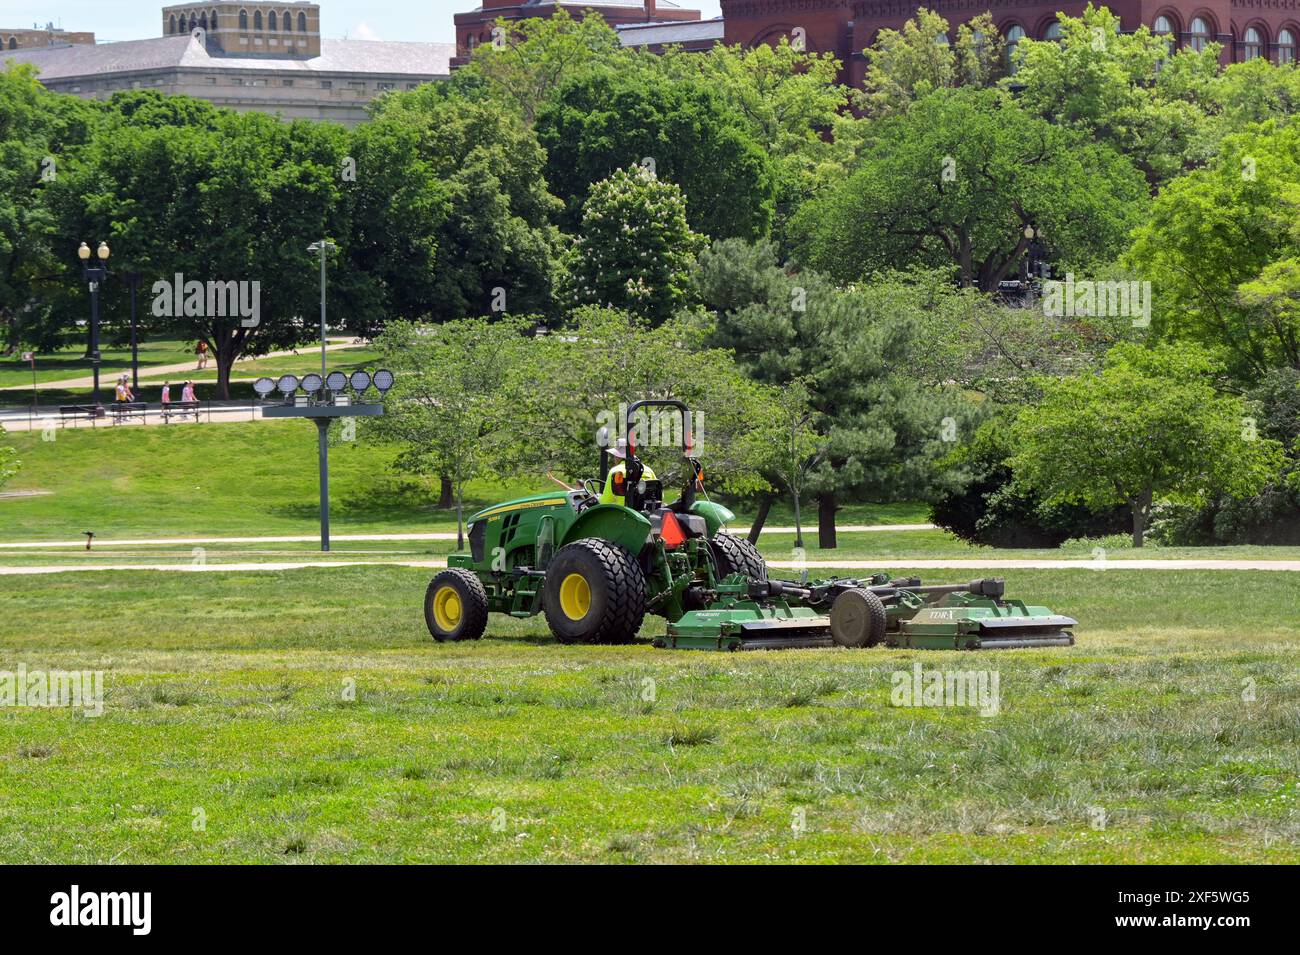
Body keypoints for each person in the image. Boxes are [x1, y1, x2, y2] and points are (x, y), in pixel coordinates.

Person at [600, 437, 656, 505]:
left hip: (622, 513)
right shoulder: (649, 470)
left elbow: (606, 501)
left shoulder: (615, 471)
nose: (614, 458)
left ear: (617, 457)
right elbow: (659, 495)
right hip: (646, 511)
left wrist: (598, 498)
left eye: (614, 456)